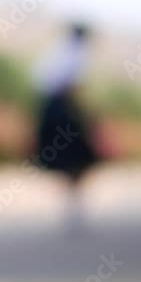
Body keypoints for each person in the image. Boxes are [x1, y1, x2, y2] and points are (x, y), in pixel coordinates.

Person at [32, 22, 100, 235]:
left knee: (69, 162)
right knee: (74, 159)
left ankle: (72, 209)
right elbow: (72, 88)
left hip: (51, 108)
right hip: (61, 109)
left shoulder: (58, 51)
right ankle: (72, 210)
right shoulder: (74, 54)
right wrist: (83, 115)